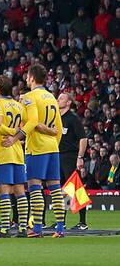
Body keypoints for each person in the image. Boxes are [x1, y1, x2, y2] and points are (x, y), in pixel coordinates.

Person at [21, 64, 64, 238]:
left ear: (32, 78)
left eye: (27, 76)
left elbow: (30, 123)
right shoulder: (52, 98)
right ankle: (60, 228)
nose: (25, 79)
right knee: (55, 189)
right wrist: (53, 141)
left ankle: (37, 228)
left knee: (35, 187)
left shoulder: (29, 97)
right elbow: (59, 128)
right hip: (52, 147)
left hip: (36, 148)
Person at [0, 76, 28, 237]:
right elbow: (26, 125)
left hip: (3, 151)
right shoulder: (19, 106)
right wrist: (17, 134)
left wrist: (11, 132)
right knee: (20, 191)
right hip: (17, 151)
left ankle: (4, 228)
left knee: (3, 190)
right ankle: (23, 228)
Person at [57, 92, 88, 230]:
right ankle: (61, 222)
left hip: (70, 157)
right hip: (58, 156)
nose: (58, 100)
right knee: (62, 190)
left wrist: (80, 157)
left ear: (69, 102)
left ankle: (83, 222)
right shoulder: (56, 118)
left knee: (76, 189)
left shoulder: (73, 118)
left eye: (62, 98)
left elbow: (83, 138)